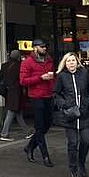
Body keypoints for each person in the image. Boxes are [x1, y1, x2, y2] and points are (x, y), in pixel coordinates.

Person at [53, 53, 89, 177]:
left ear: (77, 62)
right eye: (68, 61)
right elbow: (56, 94)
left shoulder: (84, 74)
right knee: (72, 143)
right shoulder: (62, 77)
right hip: (70, 115)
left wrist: (87, 103)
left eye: (73, 60)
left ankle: (81, 162)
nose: (71, 63)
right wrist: (64, 105)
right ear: (65, 63)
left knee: (86, 140)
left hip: (84, 114)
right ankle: (73, 169)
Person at [20, 38, 55, 167]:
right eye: (42, 47)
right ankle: (45, 155)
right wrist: (40, 78)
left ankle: (30, 146)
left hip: (48, 95)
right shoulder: (27, 62)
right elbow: (23, 81)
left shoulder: (49, 60)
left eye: (45, 47)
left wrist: (54, 88)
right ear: (35, 48)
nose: (45, 48)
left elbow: (52, 78)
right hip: (36, 96)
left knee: (47, 124)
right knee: (40, 126)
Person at [0, 50, 31, 141]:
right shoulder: (20, 66)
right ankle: (4, 133)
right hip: (16, 91)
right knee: (12, 111)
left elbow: (2, 78)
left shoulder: (4, 65)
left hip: (8, 91)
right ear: (18, 56)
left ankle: (27, 131)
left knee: (17, 112)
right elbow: (22, 79)